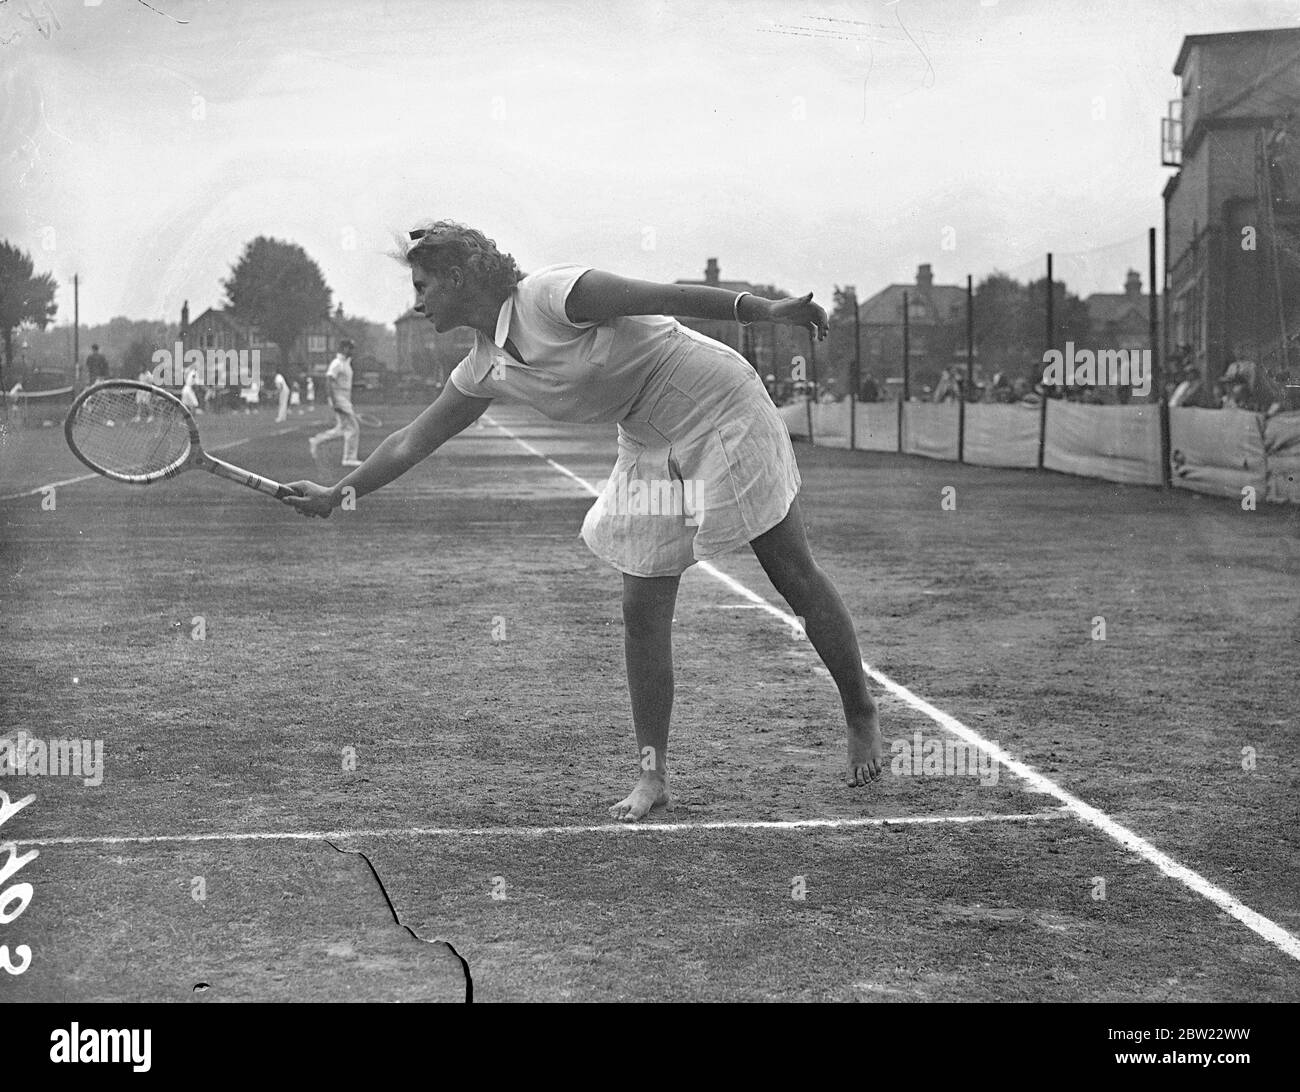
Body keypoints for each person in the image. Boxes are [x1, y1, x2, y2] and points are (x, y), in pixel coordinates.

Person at [285, 220, 883, 821]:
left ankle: (860, 712)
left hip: (717, 402)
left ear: (458, 279)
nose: (416, 303)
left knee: (789, 573)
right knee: (640, 610)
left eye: (423, 286)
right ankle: (653, 777)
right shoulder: (483, 367)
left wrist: (767, 310)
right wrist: (338, 493)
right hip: (646, 437)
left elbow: (668, 297)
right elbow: (412, 440)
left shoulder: (554, 296)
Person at [308, 339, 362, 466]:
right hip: (339, 399)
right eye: (350, 348)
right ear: (344, 348)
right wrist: (334, 401)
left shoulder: (346, 364)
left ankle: (316, 441)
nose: (352, 351)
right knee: (353, 428)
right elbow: (329, 381)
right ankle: (349, 458)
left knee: (342, 428)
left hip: (345, 399)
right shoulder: (337, 363)